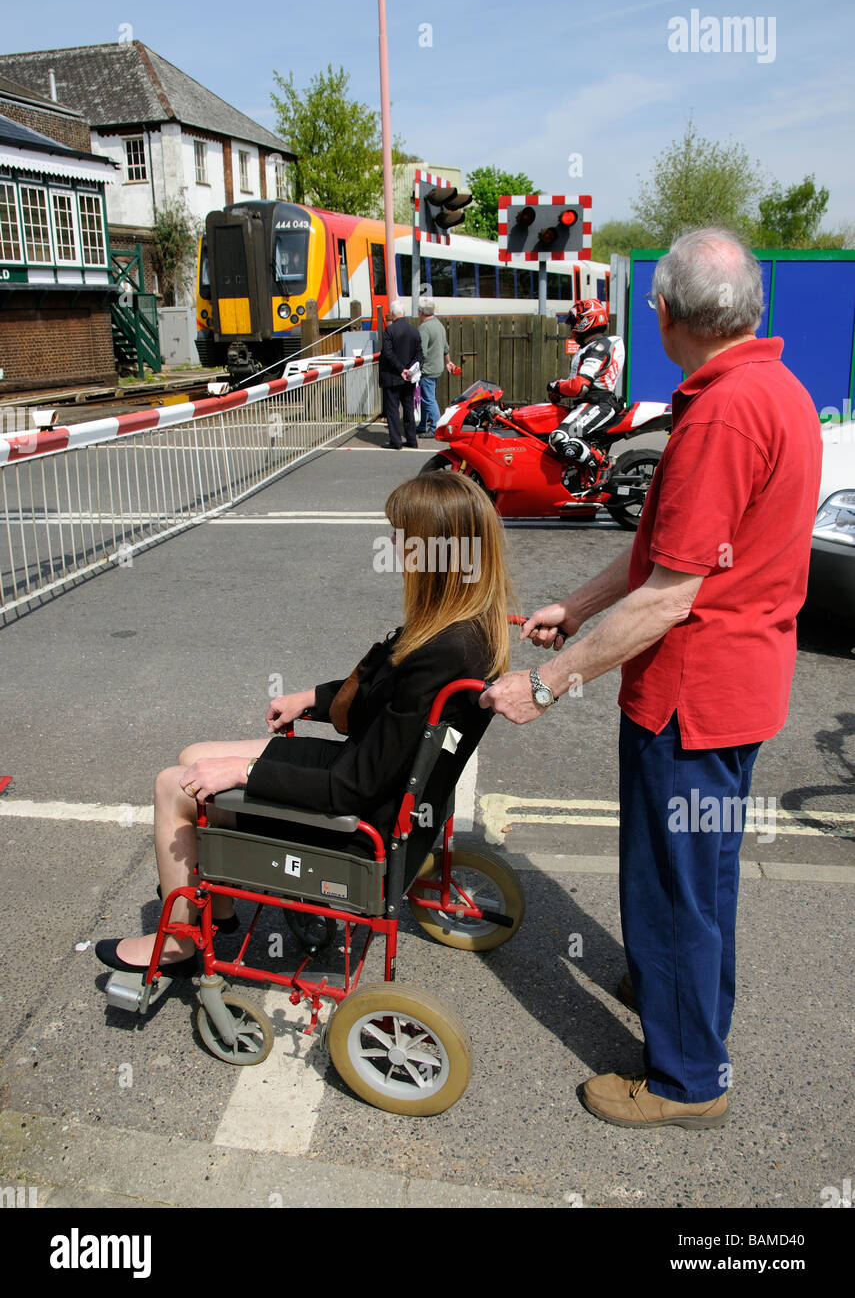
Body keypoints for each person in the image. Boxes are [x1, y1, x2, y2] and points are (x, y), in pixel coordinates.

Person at [480, 227, 822, 1129]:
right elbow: (666, 550)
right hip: (741, 687)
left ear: (667, 314)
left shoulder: (717, 415)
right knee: (699, 876)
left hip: (692, 696)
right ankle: (684, 1005)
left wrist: (545, 683)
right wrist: (580, 603)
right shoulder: (775, 388)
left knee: (673, 888)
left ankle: (684, 1080)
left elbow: (669, 598)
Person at [96, 472, 513, 977]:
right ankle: (220, 913)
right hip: (380, 779)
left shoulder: (441, 651)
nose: (394, 544)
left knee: (174, 785)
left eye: (403, 535)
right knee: (194, 755)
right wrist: (312, 700)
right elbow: (382, 704)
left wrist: (245, 772)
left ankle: (178, 946)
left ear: (438, 551)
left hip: (360, 816)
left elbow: (353, 787)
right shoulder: (463, 628)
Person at [546, 299, 625, 492]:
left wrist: (556, 386)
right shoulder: (594, 346)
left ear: (585, 321)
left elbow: (580, 386)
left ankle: (603, 465)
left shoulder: (597, 347)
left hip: (598, 404)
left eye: (574, 321)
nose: (572, 327)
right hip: (590, 404)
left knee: (560, 438)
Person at [379, 299, 423, 449]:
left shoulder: (389, 331)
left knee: (392, 409)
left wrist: (400, 369)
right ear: (403, 313)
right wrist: (411, 370)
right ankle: (412, 439)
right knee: (408, 408)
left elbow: (388, 353)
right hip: (409, 378)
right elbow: (419, 355)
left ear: (392, 314)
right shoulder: (414, 331)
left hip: (392, 376)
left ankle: (396, 441)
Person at [417, 297, 454, 438]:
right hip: (437, 367)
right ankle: (422, 425)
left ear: (421, 312)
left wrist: (414, 368)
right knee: (425, 397)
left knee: (428, 399)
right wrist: (448, 362)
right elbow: (445, 348)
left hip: (427, 369)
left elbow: (422, 352)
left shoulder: (424, 328)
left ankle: (435, 427)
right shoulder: (439, 325)